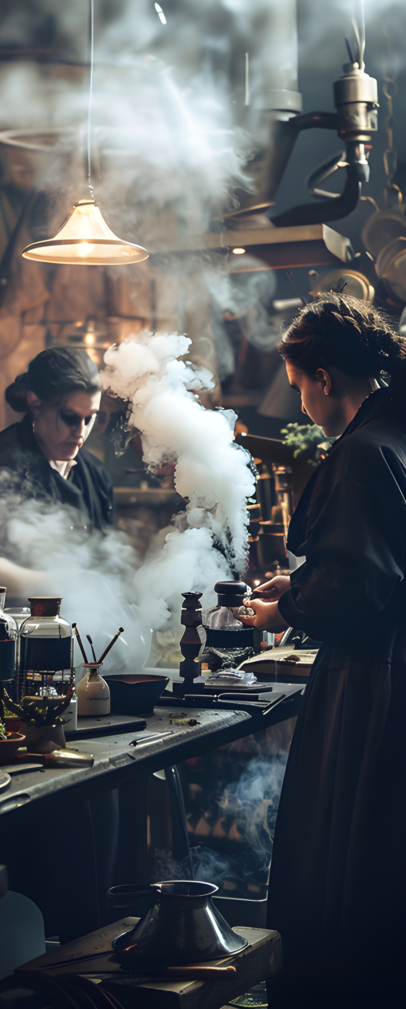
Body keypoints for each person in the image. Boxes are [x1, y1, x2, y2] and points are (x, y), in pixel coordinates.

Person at [243, 295, 406, 1009]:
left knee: (352, 857)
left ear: (323, 377)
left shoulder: (363, 453)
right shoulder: (395, 435)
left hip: (376, 682)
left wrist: (286, 606)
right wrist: (305, 579)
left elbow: (359, 587)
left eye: (301, 386)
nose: (302, 403)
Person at [0, 347, 114, 597]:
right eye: (70, 417)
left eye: (89, 419)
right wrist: (53, 584)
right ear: (35, 403)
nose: (80, 432)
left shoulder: (94, 474)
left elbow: (109, 557)